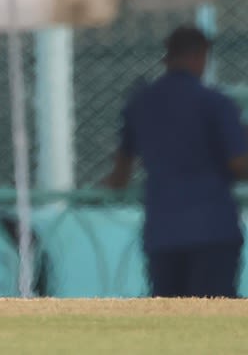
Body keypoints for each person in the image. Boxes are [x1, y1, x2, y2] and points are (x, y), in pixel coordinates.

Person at [101, 24, 248, 298]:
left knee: (170, 311)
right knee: (213, 311)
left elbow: (119, 175)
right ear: (201, 56)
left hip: (163, 231)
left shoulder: (140, 103)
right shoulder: (215, 104)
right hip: (213, 229)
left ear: (167, 56)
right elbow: (239, 164)